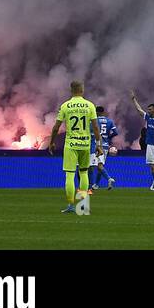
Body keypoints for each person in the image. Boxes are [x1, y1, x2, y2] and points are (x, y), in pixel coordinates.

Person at [49, 80, 101, 214]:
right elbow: (95, 127)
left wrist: (52, 142)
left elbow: (56, 128)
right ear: (82, 90)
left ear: (71, 90)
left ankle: (71, 205)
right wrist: (98, 145)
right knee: (84, 173)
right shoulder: (90, 105)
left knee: (70, 175)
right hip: (85, 144)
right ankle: (83, 205)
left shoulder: (66, 106)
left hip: (71, 144)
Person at [130, 90, 154, 191]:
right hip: (150, 146)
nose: (148, 111)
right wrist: (134, 99)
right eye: (148, 109)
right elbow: (139, 110)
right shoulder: (148, 118)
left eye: (150, 109)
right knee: (152, 166)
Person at [91, 105, 118, 190]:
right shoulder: (109, 121)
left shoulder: (93, 121)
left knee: (97, 165)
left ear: (96, 112)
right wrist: (108, 138)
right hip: (105, 145)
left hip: (96, 145)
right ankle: (96, 184)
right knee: (100, 164)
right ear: (103, 112)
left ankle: (109, 179)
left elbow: (92, 132)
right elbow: (115, 132)